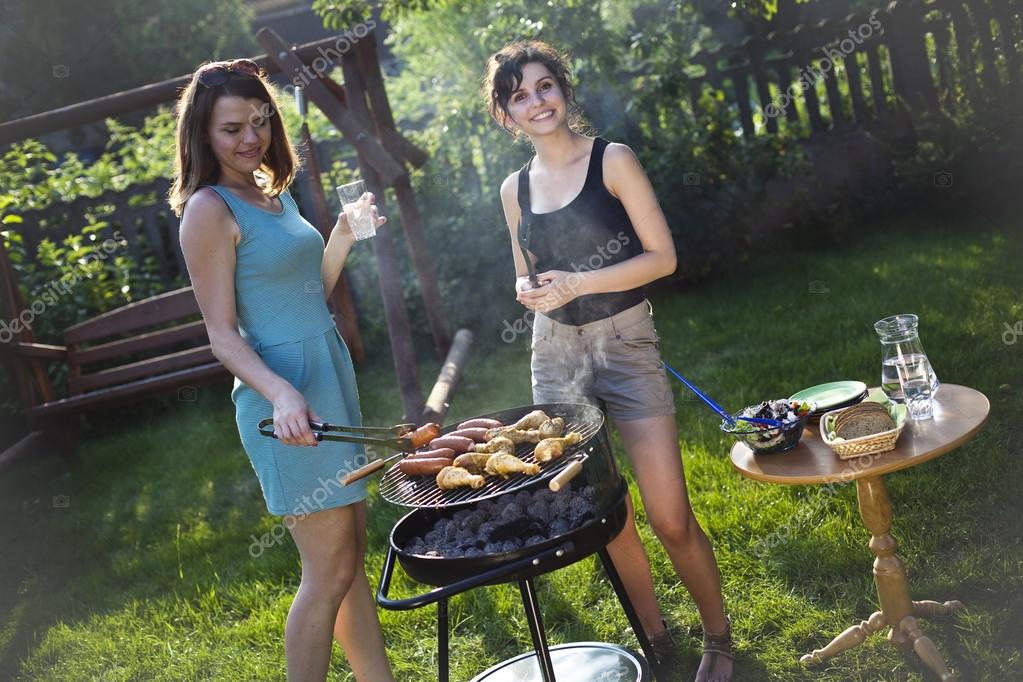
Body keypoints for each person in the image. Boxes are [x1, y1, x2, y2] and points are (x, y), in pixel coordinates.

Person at [483, 40, 734, 681]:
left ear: (563, 91)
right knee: (605, 514)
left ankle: (719, 638)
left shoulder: (612, 161)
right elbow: (525, 274)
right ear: (506, 116)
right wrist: (530, 290)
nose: (536, 102)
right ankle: (656, 636)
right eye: (519, 96)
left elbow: (663, 257)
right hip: (556, 357)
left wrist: (580, 282)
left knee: (670, 517)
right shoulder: (514, 190)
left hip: (625, 343)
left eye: (544, 86)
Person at [170, 59, 393, 682]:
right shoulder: (208, 210)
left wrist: (343, 236)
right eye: (231, 129)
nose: (250, 140)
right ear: (202, 136)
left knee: (349, 566)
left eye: (259, 124)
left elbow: (305, 294)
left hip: (327, 377)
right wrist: (281, 393)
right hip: (284, 401)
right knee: (327, 574)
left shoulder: (271, 191)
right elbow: (221, 334)